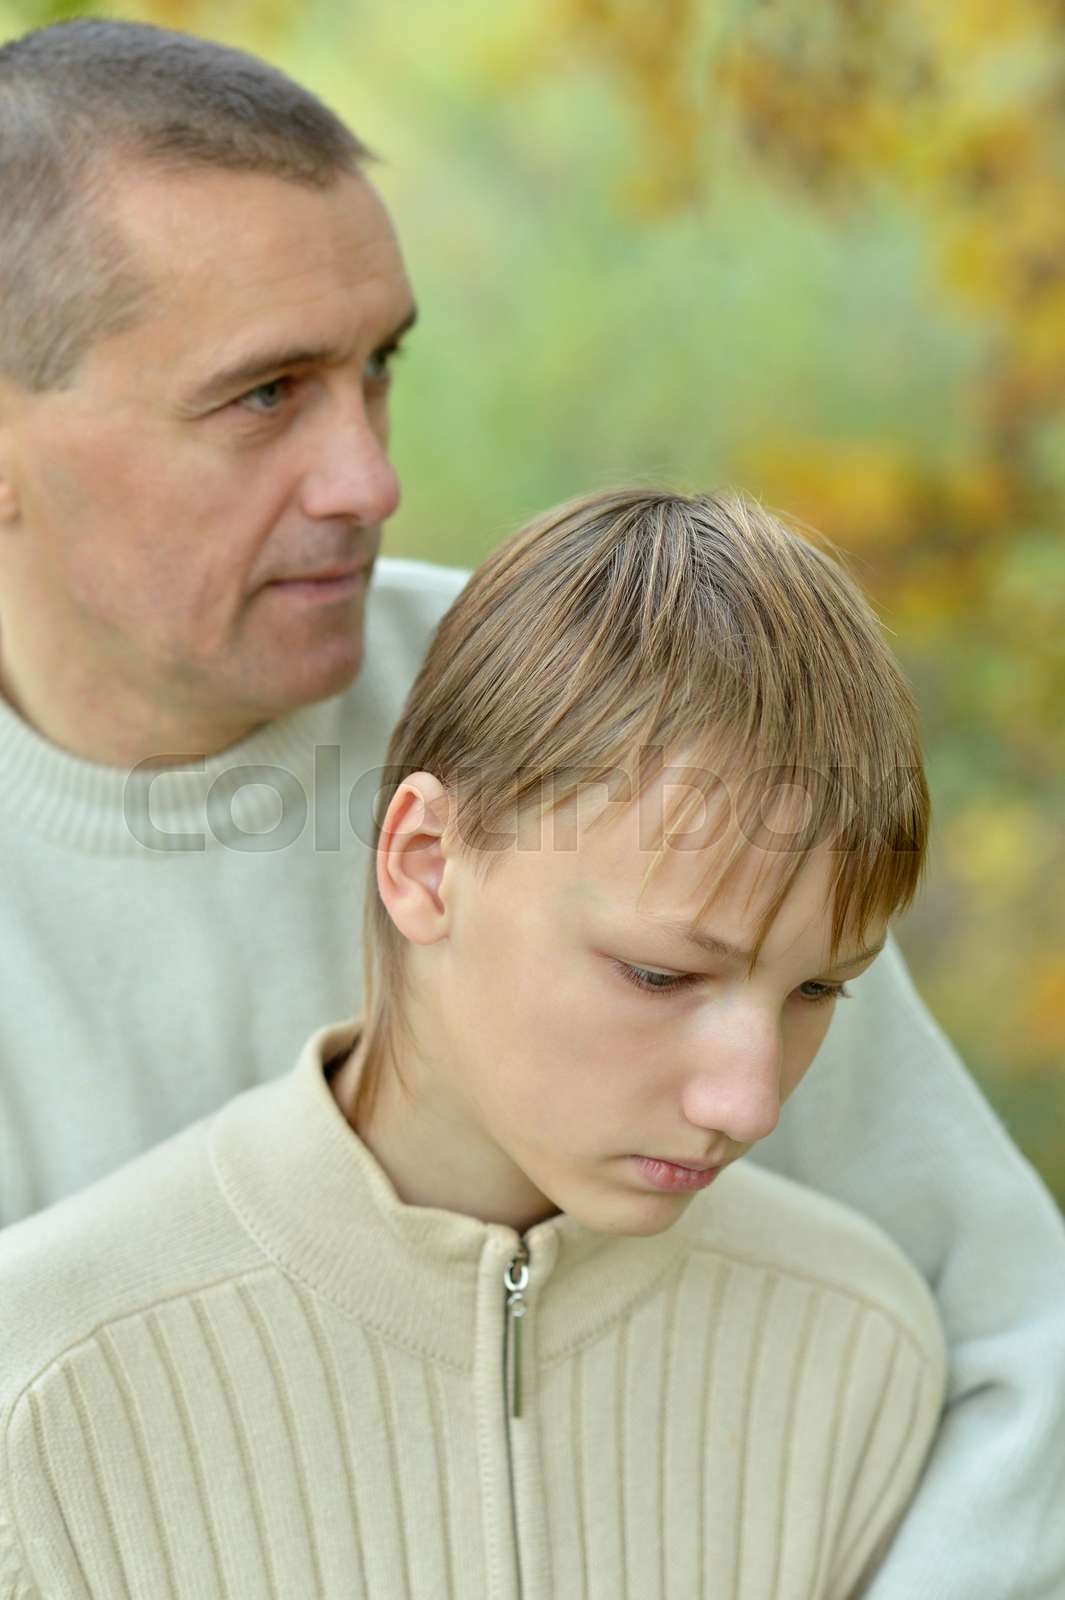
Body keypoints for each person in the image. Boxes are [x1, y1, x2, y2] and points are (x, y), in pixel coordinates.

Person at [0, 18, 1060, 1597]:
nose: (368, 478)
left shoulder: (592, 727)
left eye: (380, 370)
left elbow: (1019, 1349)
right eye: (267, 395)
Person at [0, 489, 949, 1596]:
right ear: (424, 862)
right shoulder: (46, 1377)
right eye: (661, 974)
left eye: (819, 987)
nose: (748, 1104)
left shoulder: (861, 1345)